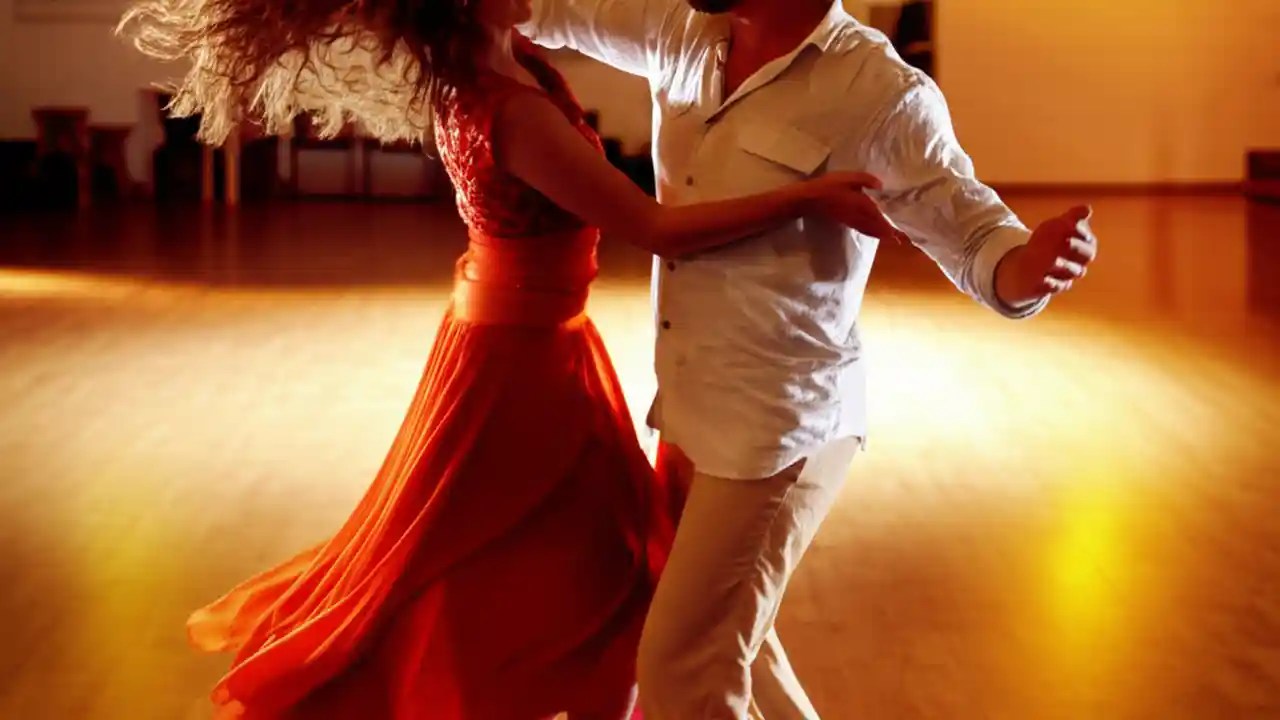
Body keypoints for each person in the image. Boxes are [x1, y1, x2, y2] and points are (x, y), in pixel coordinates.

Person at [116, 0, 907, 716]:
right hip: (521, 362)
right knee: (546, 569)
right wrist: (806, 195)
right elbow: (657, 228)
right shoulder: (511, 110)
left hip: (521, 336)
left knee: (588, 569)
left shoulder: (499, 64)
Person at [519, 0, 1100, 717]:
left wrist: (1032, 266)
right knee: (742, 652)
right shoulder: (681, 30)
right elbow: (548, 11)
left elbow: (981, 241)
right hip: (692, 407)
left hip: (779, 430)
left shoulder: (881, 92)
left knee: (682, 665)